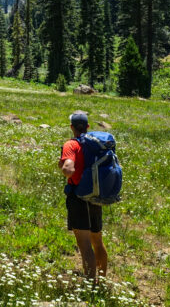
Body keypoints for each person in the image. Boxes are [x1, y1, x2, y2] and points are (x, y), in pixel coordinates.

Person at [59, 110, 108, 281]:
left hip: (78, 197)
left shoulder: (71, 145)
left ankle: (89, 286)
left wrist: (65, 171)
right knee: (97, 242)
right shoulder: (96, 143)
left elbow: (69, 169)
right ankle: (101, 280)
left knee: (85, 245)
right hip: (96, 196)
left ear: (71, 126)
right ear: (87, 126)